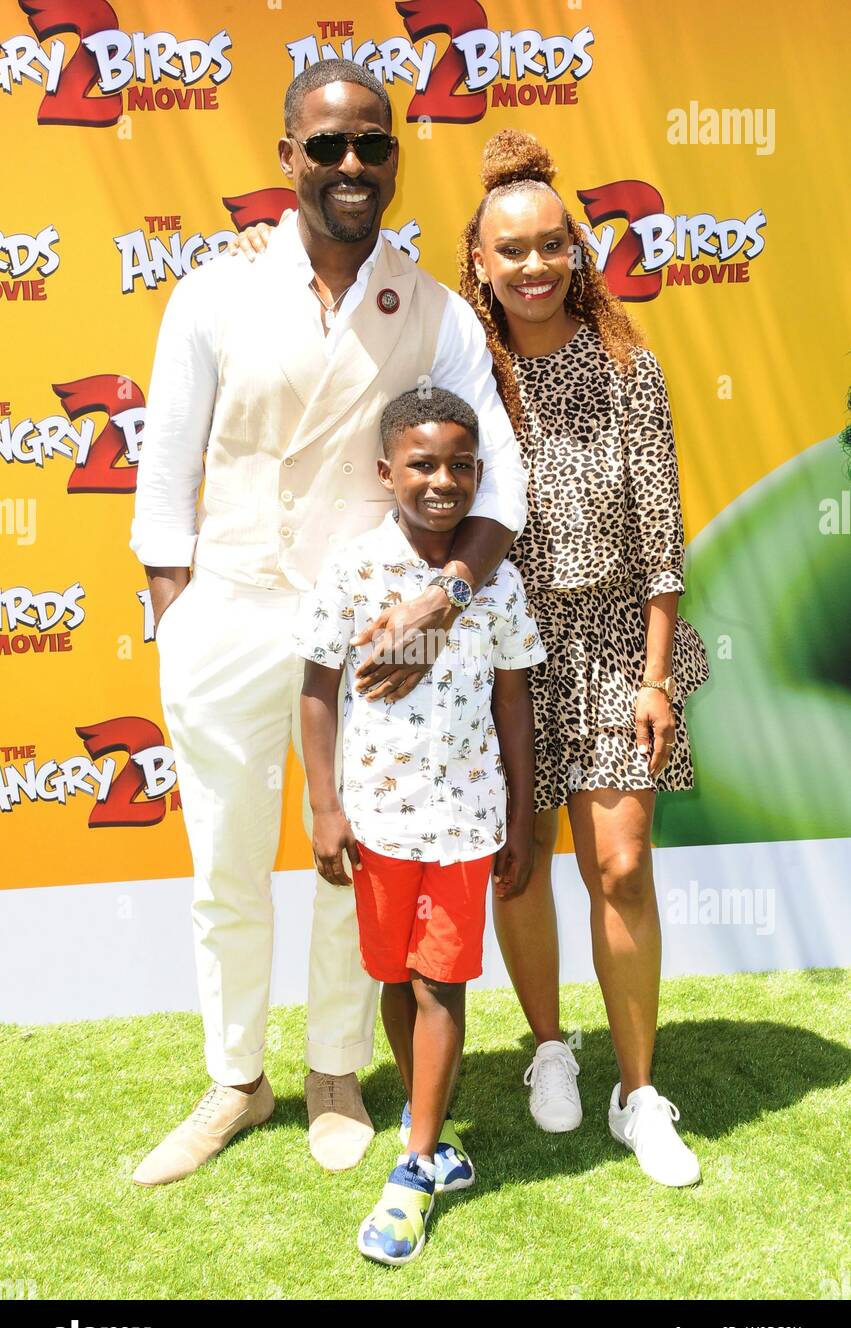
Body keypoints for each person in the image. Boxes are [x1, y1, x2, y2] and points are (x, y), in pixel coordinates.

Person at [128, 60, 526, 1185]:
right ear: (286, 158)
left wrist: (440, 598)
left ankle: (338, 1070)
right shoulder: (210, 294)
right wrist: (182, 617)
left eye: (371, 145)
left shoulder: (435, 310)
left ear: (396, 157)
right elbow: (164, 485)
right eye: (327, 147)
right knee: (225, 864)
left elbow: (498, 482)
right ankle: (236, 1078)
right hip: (233, 613)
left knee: (358, 855)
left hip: (375, 635)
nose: (350, 166)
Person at [461, 131, 710, 1185]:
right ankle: (548, 1049)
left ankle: (637, 1092)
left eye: (547, 246)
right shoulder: (467, 370)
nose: (529, 267)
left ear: (575, 249)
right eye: (508, 251)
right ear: (476, 261)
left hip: (616, 640)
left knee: (619, 861)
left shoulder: (626, 365)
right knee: (517, 859)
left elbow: (661, 537)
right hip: (505, 653)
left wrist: (653, 676)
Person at [295, 387, 545, 1263]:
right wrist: (325, 807)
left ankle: (410, 1172)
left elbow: (514, 702)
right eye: (423, 464)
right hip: (375, 821)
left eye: (460, 465)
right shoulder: (351, 569)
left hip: (467, 822)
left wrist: (521, 815)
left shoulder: (496, 581)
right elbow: (318, 689)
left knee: (443, 983)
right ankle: (430, 1128)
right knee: (397, 977)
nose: (443, 481)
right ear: (385, 472)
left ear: (480, 474)